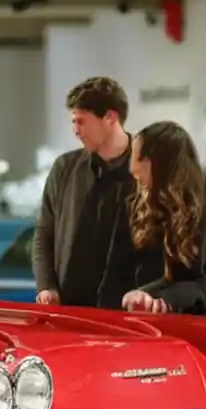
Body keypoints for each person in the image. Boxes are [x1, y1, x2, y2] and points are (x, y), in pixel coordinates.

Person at [32, 76, 137, 310]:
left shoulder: (149, 167)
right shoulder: (65, 169)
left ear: (110, 117)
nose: (75, 131)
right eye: (73, 122)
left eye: (81, 122)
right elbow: (44, 233)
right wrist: (46, 285)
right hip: (70, 312)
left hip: (129, 318)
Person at [120, 120, 206, 319]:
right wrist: (145, 294)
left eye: (138, 157)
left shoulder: (204, 199)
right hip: (189, 313)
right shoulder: (170, 200)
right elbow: (176, 277)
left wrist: (156, 297)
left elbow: (201, 282)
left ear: (157, 161)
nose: (133, 168)